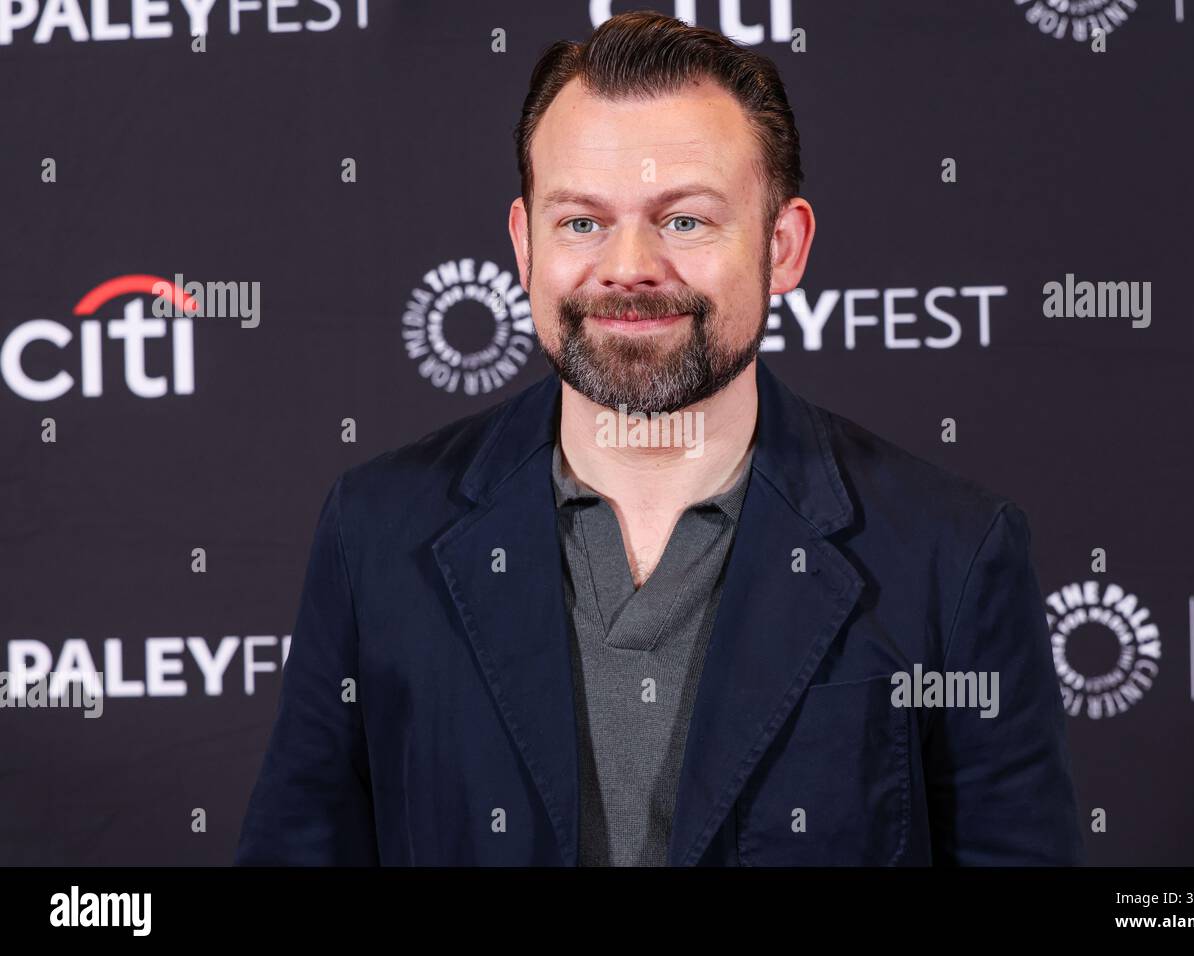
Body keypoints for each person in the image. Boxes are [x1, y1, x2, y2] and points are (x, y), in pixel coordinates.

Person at [236, 11, 1084, 866]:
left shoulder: (952, 554)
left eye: (684, 220)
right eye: (580, 222)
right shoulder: (376, 531)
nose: (629, 265)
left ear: (783, 247)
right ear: (524, 246)